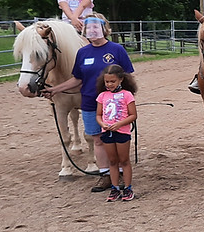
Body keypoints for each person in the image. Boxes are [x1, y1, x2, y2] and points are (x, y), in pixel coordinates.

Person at [42, 13, 135, 193]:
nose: (92, 30)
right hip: (91, 102)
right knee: (98, 139)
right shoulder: (83, 53)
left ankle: (121, 173)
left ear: (104, 28)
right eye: (88, 27)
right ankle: (105, 174)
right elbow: (77, 79)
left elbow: (128, 75)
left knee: (116, 138)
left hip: (115, 104)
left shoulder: (117, 50)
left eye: (95, 26)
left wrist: (127, 99)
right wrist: (55, 90)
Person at [94, 64, 138, 202]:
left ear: (120, 80)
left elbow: (133, 115)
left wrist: (119, 124)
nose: (109, 84)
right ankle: (114, 188)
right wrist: (102, 124)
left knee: (124, 160)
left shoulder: (127, 95)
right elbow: (98, 115)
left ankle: (128, 187)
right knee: (112, 161)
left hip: (122, 132)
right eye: (107, 82)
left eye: (112, 81)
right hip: (107, 132)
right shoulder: (102, 96)